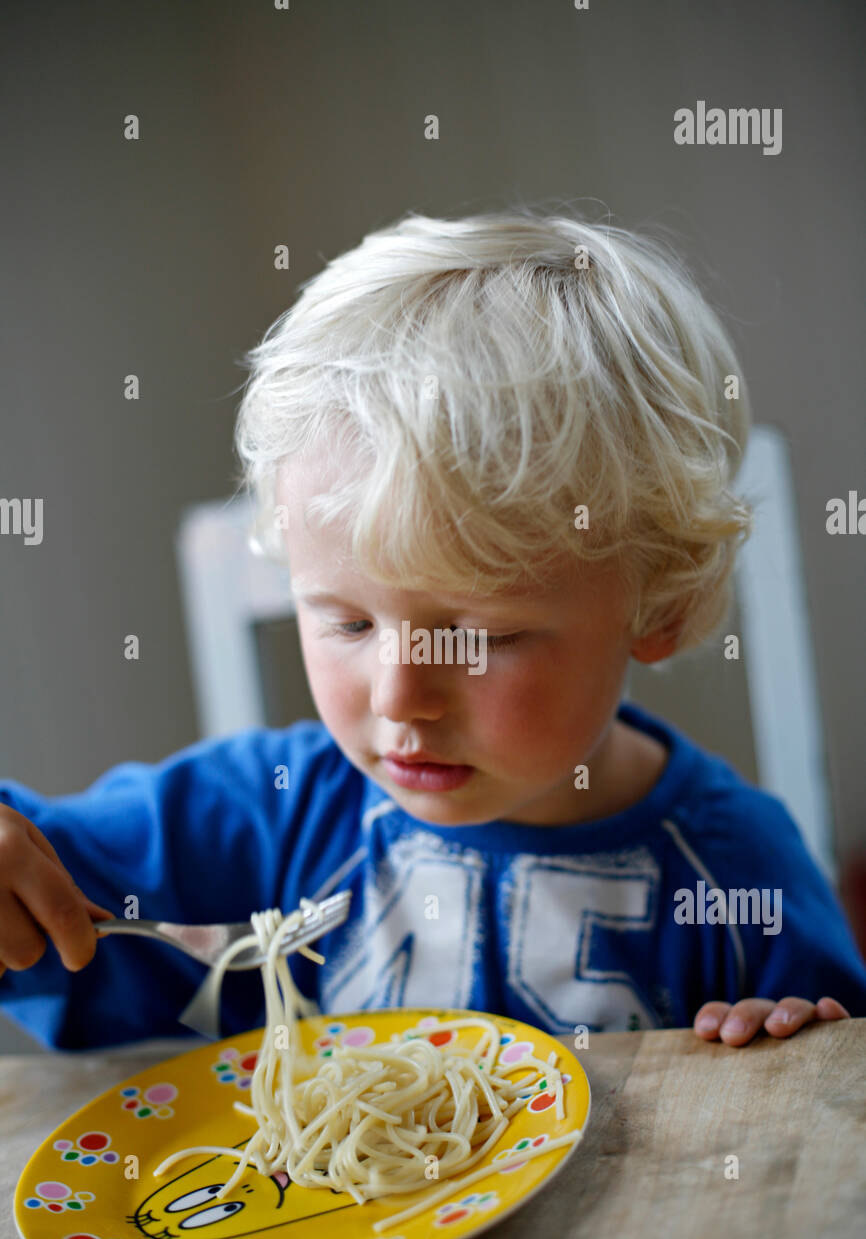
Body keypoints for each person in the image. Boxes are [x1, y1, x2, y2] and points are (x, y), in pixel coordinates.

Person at [2, 206, 863, 1051]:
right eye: (346, 622)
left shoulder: (738, 874)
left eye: (479, 637)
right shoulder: (263, 821)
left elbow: (829, 1101)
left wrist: (788, 1042)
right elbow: (39, 890)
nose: (400, 695)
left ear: (661, 607)